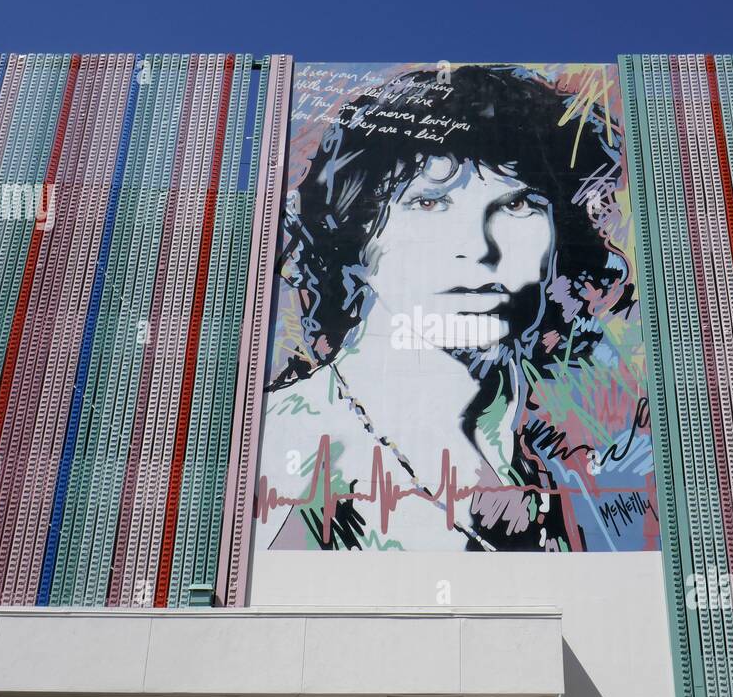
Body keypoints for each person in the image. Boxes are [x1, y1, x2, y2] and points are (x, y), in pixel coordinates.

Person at [254, 64, 649, 551]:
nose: (479, 248)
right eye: (430, 202)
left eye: (519, 205)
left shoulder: (580, 447)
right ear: (358, 234)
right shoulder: (281, 444)